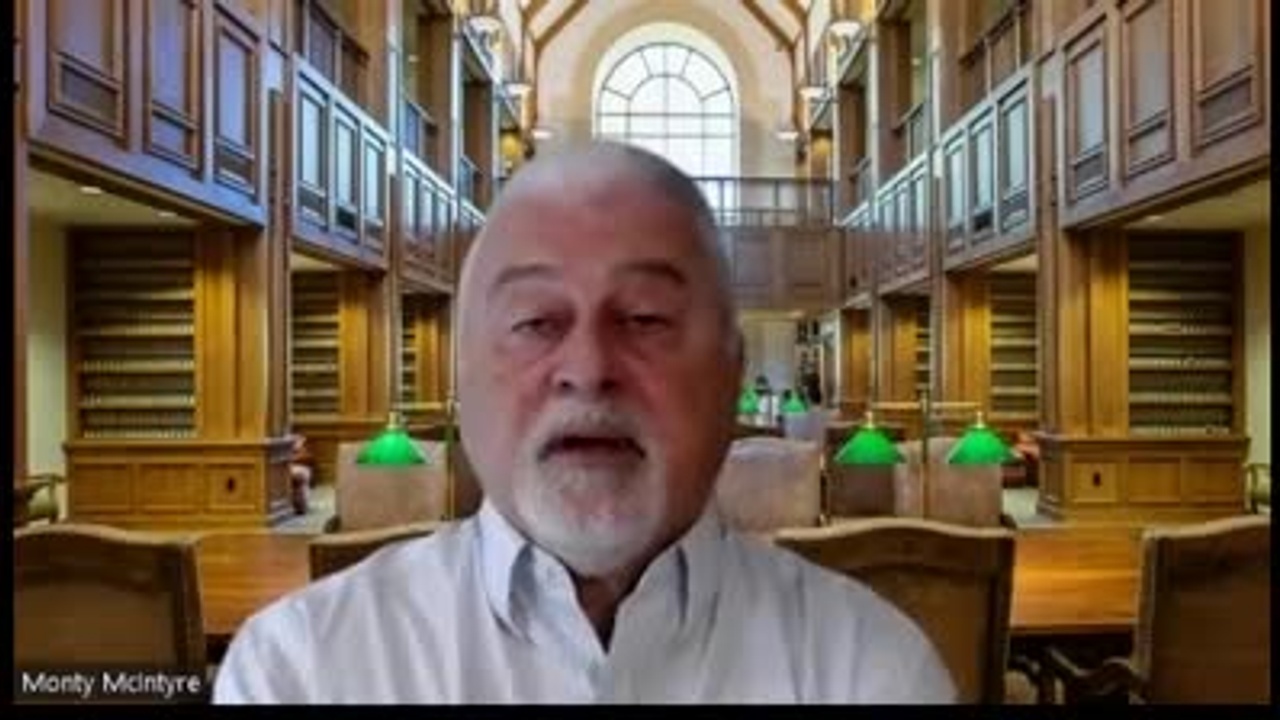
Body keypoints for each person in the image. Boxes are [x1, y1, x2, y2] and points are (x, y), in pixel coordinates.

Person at [213, 142, 955, 704]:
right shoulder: (299, 670)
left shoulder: (871, 670)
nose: (589, 367)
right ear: (460, 377)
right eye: (536, 321)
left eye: (646, 318)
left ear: (731, 374)